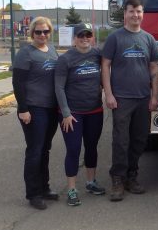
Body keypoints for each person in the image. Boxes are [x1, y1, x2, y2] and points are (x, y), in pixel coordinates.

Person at [101, 0, 158, 202]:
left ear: (143, 14)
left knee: (139, 140)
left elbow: (154, 69)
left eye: (139, 11)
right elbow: (105, 66)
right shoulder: (115, 38)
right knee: (120, 140)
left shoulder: (149, 39)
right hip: (122, 99)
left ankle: (131, 176)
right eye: (131, 11)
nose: (135, 15)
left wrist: (154, 97)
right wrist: (108, 94)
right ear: (125, 14)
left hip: (143, 98)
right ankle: (117, 179)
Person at [54, 23, 106, 206]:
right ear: (74, 38)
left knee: (92, 147)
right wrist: (66, 113)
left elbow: (108, 70)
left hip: (95, 111)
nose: (84, 38)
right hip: (72, 114)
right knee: (74, 149)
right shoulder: (66, 59)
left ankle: (91, 182)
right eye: (80, 35)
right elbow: (58, 87)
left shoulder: (97, 55)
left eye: (88, 35)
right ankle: (71, 189)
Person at [13, 16, 60, 210]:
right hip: (33, 108)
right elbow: (18, 83)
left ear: (50, 33)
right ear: (32, 33)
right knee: (34, 151)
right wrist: (23, 109)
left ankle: (44, 187)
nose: (42, 35)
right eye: (38, 32)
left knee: (45, 149)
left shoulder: (52, 51)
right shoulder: (25, 53)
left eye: (45, 31)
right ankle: (33, 193)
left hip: (51, 109)